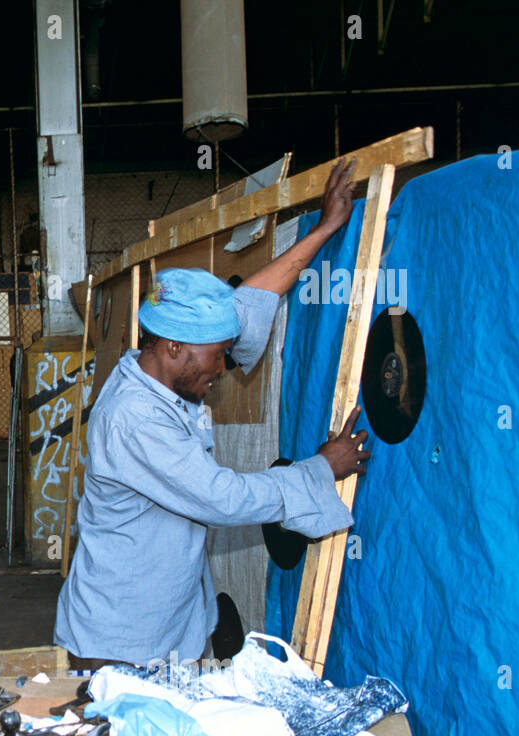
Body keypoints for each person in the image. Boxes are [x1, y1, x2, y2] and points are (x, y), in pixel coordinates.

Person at [56, 159, 370, 669]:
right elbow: (222, 499)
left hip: (176, 621)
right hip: (121, 642)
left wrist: (325, 229)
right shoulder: (136, 418)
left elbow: (253, 299)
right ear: (176, 346)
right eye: (218, 354)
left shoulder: (167, 359)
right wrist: (319, 470)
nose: (226, 366)